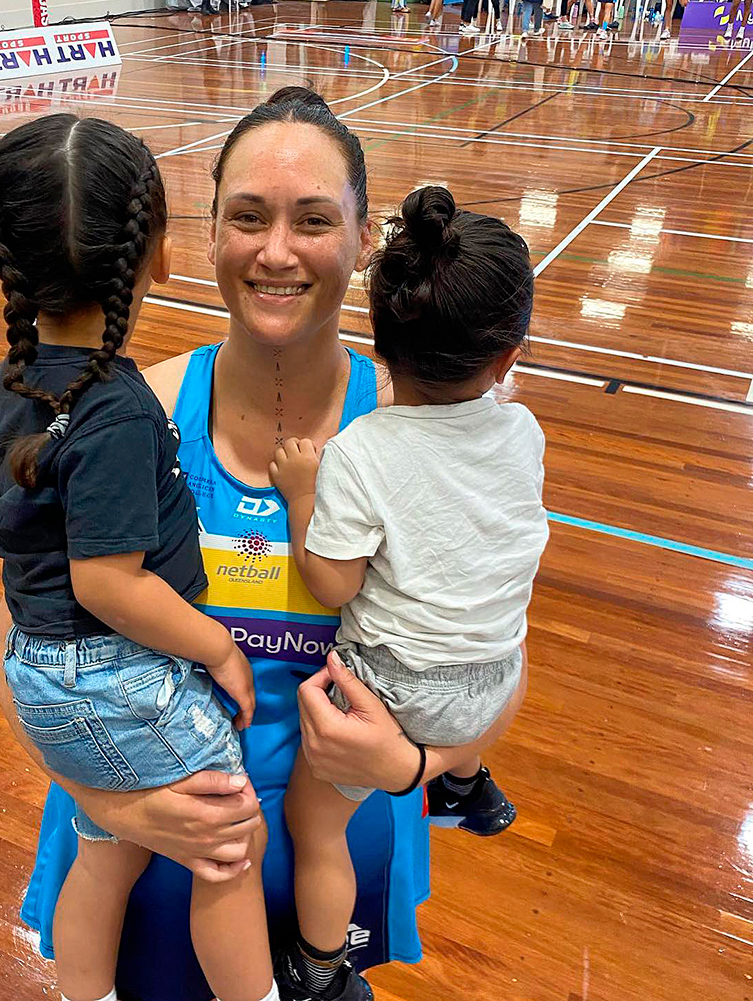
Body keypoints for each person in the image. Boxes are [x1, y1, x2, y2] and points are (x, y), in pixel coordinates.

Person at [0, 87, 528, 1001]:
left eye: (313, 219)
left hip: (334, 846)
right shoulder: (130, 410)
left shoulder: (421, 427)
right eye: (249, 217)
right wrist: (118, 802)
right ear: (205, 235)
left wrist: (417, 766)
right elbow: (9, 645)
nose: (277, 250)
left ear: (362, 241)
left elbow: (497, 657)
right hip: (151, 842)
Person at [0, 113, 277, 1001]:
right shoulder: (116, 410)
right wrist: (216, 648)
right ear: (158, 253)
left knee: (105, 848)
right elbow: (108, 582)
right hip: (116, 670)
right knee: (230, 845)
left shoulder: (6, 385)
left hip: (42, 663)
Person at [269, 185, 547, 994]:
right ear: (507, 357)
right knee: (482, 609)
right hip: (496, 676)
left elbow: (330, 584)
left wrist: (302, 495)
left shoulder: (361, 451)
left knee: (315, 823)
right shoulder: (523, 430)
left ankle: (321, 970)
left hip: (394, 693)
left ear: (379, 345)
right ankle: (466, 779)